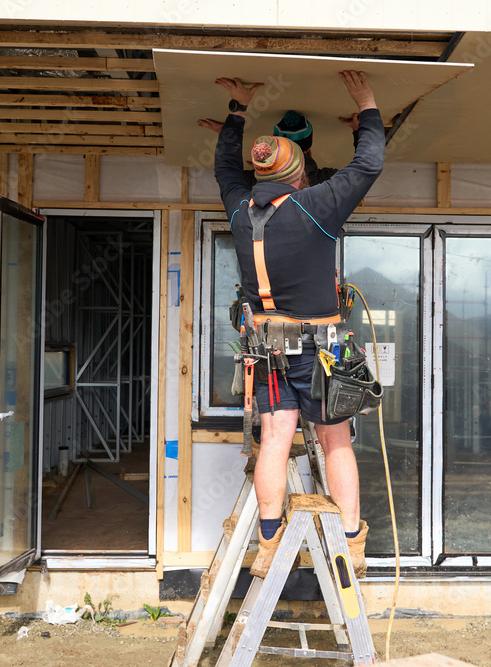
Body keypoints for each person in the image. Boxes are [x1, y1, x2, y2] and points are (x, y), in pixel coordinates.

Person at [204, 70, 384, 578]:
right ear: (299, 174)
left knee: (276, 438)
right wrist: (366, 104)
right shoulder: (316, 207)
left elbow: (225, 168)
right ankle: (350, 544)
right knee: (335, 442)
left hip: (266, 350)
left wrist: (238, 106)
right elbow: (368, 163)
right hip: (321, 349)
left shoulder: (241, 211)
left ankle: (267, 544)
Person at [197, 110, 361, 186]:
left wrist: (226, 133)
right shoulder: (322, 181)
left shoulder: (257, 180)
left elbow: (227, 173)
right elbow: (361, 173)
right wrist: (359, 130)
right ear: (307, 151)